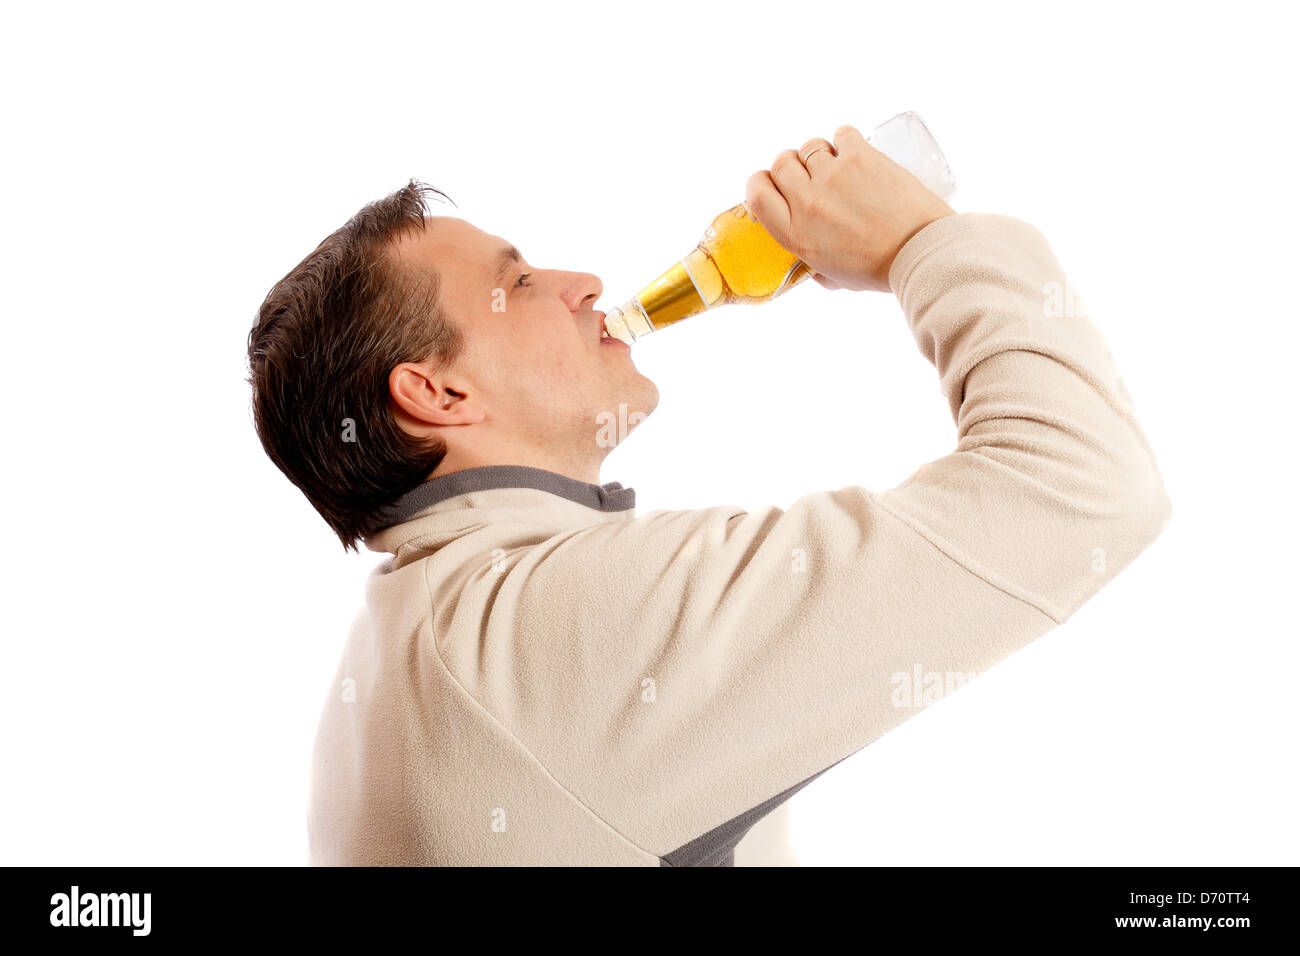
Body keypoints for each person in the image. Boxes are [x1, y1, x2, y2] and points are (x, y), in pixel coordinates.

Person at [246, 124, 1171, 866]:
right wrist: (922, 244)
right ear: (437, 395)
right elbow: (1081, 485)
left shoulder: (401, 647)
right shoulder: (549, 625)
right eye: (518, 283)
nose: (584, 286)